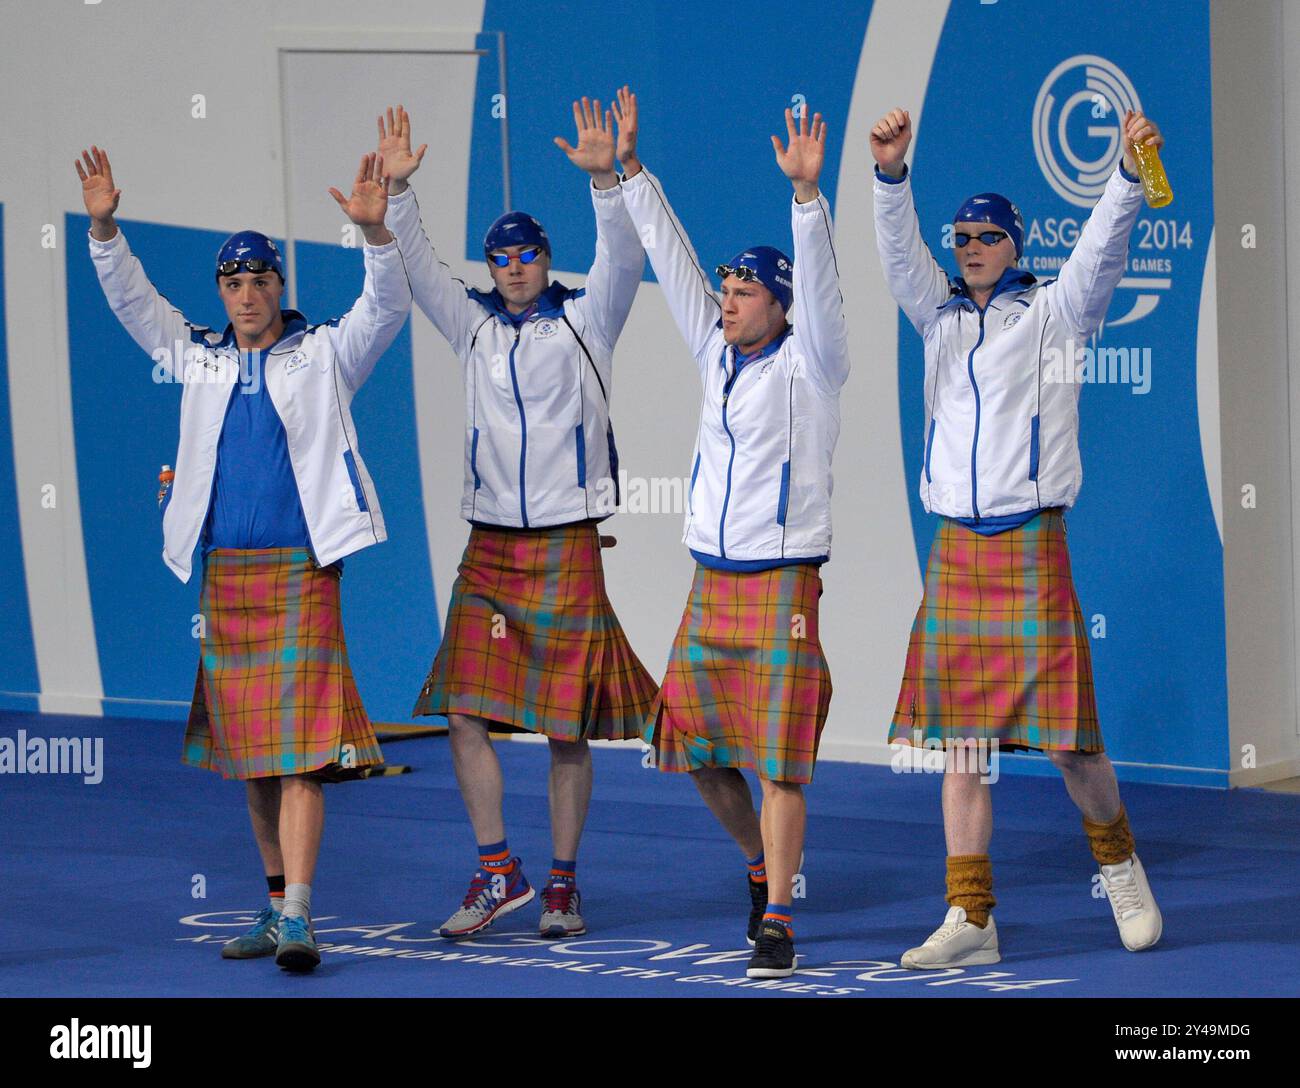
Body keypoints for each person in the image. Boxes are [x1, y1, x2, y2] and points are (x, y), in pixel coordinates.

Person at [78, 145, 411, 972]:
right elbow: (134, 304)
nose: (249, 294)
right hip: (227, 577)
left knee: (297, 754)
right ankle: (271, 907)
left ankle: (300, 916)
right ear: (221, 294)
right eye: (234, 282)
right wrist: (104, 228)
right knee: (255, 762)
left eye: (262, 279)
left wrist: (376, 233)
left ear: (280, 289)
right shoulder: (196, 355)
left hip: (303, 572)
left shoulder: (327, 353)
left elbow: (388, 307)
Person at [870, 106, 1164, 968]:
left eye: (985, 236)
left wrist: (1122, 174)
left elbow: (1104, 248)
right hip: (958, 548)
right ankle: (972, 917)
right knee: (961, 745)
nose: (968, 247)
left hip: (1031, 541)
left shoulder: (1057, 313)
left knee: (1073, 746)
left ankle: (1119, 864)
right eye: (960, 236)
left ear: (1015, 243)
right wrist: (891, 178)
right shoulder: (938, 315)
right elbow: (896, 256)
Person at [375, 103, 657, 940]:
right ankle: (500, 869)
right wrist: (396, 192)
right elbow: (420, 268)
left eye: (526, 256)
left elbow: (626, 256)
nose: (512, 269)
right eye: (500, 260)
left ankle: (563, 885)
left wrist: (605, 180)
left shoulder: (587, 319)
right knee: (463, 708)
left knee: (566, 730)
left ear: (545, 259)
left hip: (567, 542)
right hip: (490, 546)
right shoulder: (472, 325)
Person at [617, 90, 849, 979]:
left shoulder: (815, 363)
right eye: (727, 288)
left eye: (745, 290)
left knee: (783, 763)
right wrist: (632, 172)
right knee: (694, 753)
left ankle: (782, 915)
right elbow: (671, 261)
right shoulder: (716, 350)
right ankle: (759, 866)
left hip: (784, 583)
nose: (726, 299)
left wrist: (805, 197)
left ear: (779, 304)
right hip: (710, 584)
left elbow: (821, 289)